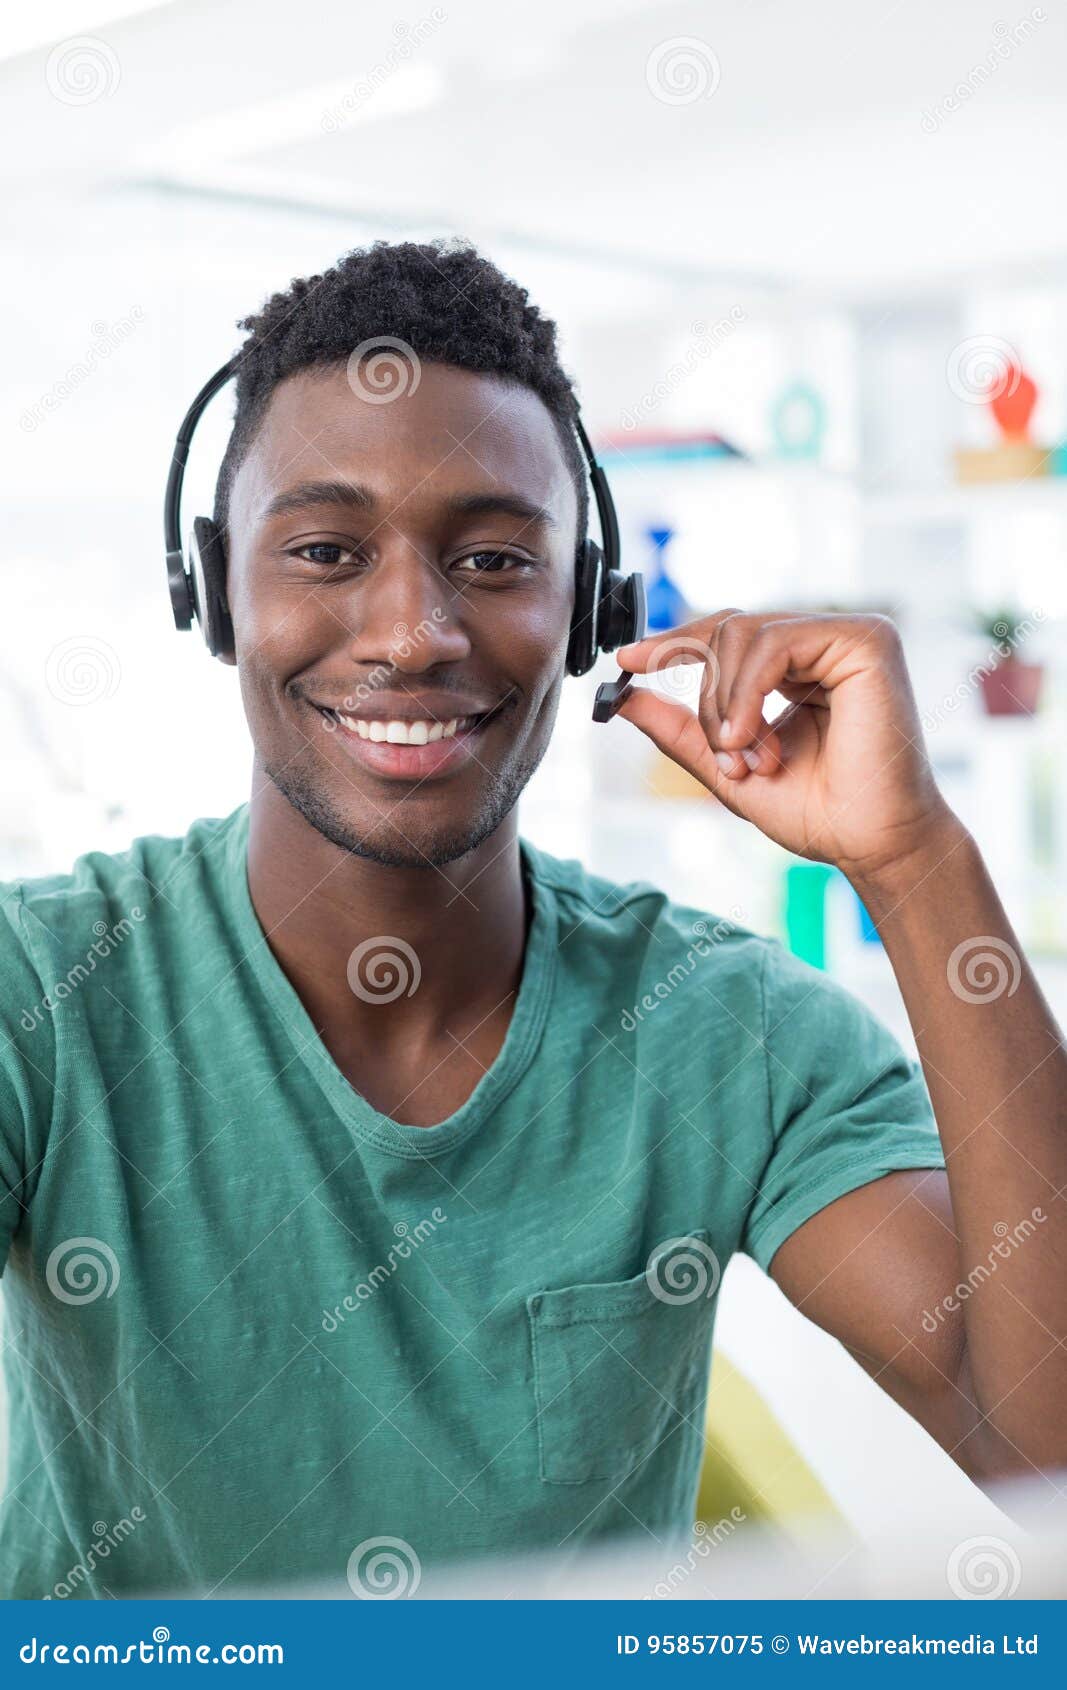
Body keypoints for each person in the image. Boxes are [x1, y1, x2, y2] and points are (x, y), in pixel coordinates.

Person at [1, 239, 1063, 1600]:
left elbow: (1051, 1449)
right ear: (212, 589)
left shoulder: (725, 1026)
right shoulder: (44, 988)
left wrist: (917, 864)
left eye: (495, 557)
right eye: (325, 549)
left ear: (587, 611)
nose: (413, 633)